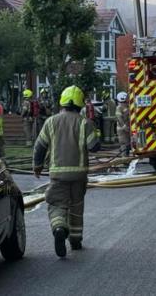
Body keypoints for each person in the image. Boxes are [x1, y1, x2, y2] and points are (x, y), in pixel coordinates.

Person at [33, 85, 100, 257]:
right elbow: (94, 147)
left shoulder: (50, 122)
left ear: (62, 102)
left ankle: (59, 228)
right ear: (80, 104)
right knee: (77, 206)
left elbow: (40, 146)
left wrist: (38, 165)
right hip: (79, 174)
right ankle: (76, 241)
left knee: (56, 204)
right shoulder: (85, 122)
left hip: (58, 175)